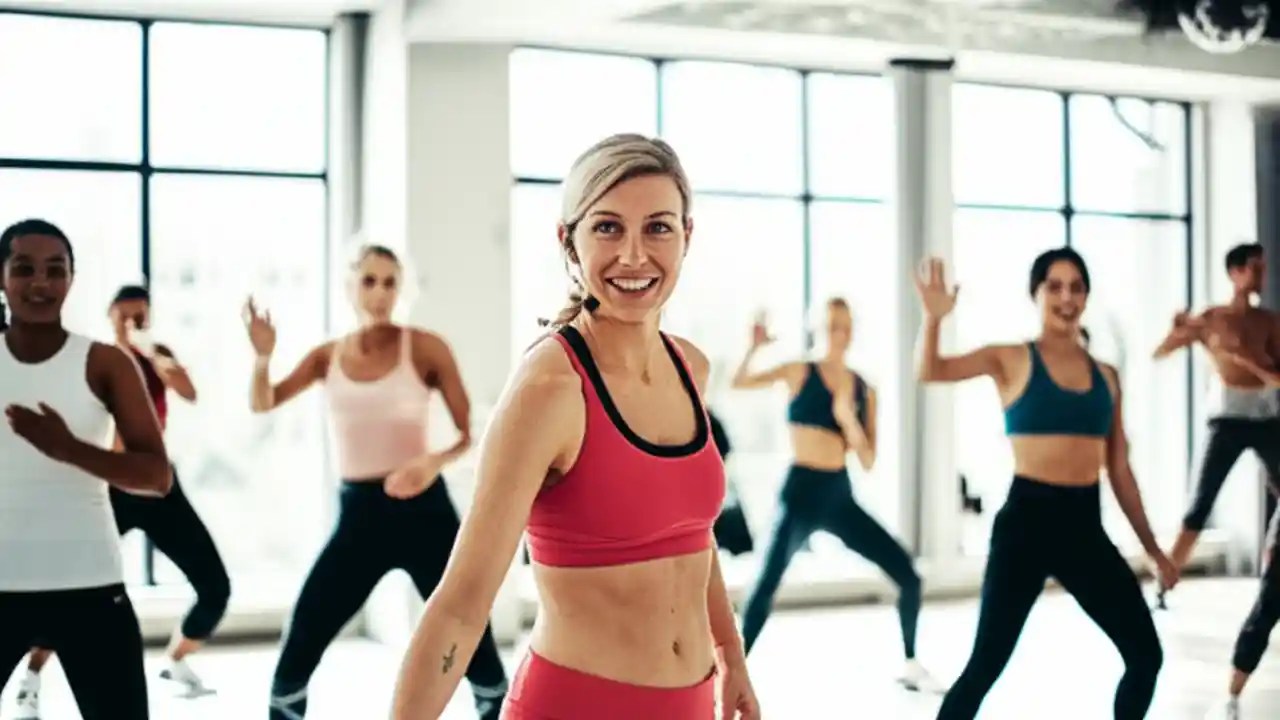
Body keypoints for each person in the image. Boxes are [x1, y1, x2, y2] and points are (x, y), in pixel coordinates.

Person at [389, 134, 760, 720]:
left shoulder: (690, 367)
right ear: (569, 240)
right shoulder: (549, 389)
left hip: (692, 705)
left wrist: (730, 653)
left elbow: (692, 534)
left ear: (687, 236)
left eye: (658, 228)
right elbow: (461, 605)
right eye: (608, 228)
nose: (634, 256)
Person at [242, 244, 509, 720]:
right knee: (305, 629)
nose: (380, 292)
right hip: (360, 514)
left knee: (470, 633)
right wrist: (263, 358)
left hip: (424, 510)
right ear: (350, 287)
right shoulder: (328, 356)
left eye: (390, 282)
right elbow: (264, 403)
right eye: (369, 280)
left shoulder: (426, 347)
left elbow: (471, 434)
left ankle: (496, 704)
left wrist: (432, 462)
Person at [919, 249, 1176, 720]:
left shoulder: (1107, 377)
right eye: (1054, 286)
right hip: (1026, 527)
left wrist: (1155, 551)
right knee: (984, 666)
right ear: (1035, 294)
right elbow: (932, 370)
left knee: (1145, 655)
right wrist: (934, 320)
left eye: (1076, 287)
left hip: (1084, 526)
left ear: (1087, 297)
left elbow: (1119, 470)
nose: (1066, 297)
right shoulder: (1012, 358)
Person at [16, 285, 228, 715]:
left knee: (215, 587)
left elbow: (189, 392)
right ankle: (31, 677)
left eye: (141, 317)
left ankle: (176, 661)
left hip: (158, 487)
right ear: (109, 314)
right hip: (108, 488)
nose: (133, 324)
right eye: (125, 316)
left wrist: (151, 352)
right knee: (65, 594)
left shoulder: (156, 356)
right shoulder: (96, 361)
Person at [0, 218, 172, 720]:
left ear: (71, 280)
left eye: (55, 270)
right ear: (1, 277)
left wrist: (68, 448)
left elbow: (156, 476)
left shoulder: (104, 363)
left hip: (90, 588)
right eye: (24, 268)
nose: (40, 282)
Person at [730, 297, 940, 692]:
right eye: (831, 326)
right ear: (819, 329)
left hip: (838, 494)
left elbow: (868, 459)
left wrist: (848, 421)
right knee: (764, 586)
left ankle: (910, 662)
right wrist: (754, 347)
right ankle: (733, 674)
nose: (839, 334)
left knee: (908, 575)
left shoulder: (864, 388)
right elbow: (739, 382)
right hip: (800, 493)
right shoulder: (799, 371)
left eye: (845, 326)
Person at [1152, 242, 1280, 606]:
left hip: (1266, 419)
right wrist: (1175, 330)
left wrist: (1248, 359)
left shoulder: (1268, 321)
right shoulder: (1212, 319)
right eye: (1254, 267)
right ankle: (1164, 580)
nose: (1260, 274)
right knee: (1200, 505)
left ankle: (1273, 567)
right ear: (1235, 272)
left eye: (1263, 267)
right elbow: (1160, 353)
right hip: (1225, 421)